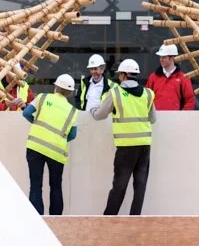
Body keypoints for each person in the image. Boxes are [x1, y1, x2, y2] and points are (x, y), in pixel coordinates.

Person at [92, 59, 156, 215]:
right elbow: (153, 119)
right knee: (140, 185)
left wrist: (93, 110)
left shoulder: (115, 93)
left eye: (120, 75)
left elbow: (100, 115)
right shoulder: (148, 93)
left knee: (120, 185)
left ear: (123, 75)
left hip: (126, 147)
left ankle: (109, 217)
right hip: (144, 146)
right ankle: (135, 218)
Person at [21, 74, 79, 215]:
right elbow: (72, 135)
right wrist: (57, 138)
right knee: (56, 186)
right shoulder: (73, 111)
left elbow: (26, 113)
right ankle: (56, 220)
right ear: (70, 92)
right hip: (56, 151)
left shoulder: (42, 98)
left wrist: (37, 125)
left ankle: (37, 220)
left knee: (35, 185)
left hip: (35, 146)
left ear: (56, 86)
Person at [145, 43, 195, 111]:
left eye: (164, 57)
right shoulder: (153, 77)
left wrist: (182, 116)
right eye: (160, 57)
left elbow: (190, 100)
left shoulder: (183, 78)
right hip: (156, 119)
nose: (161, 59)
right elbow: (146, 98)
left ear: (172, 58)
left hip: (175, 119)